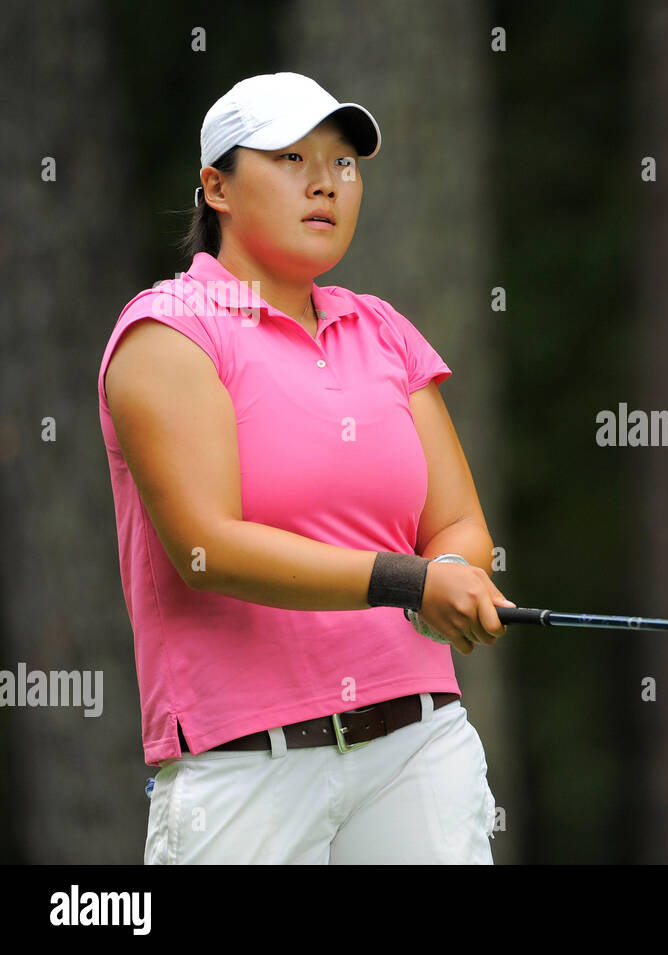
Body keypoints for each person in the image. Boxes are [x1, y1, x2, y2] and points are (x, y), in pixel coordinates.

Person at [96, 72, 514, 864]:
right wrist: (410, 582)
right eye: (290, 158)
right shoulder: (169, 332)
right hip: (245, 765)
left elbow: (456, 524)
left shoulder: (383, 329)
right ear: (215, 186)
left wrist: (452, 575)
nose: (325, 181)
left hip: (418, 750)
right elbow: (206, 548)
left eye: (343, 163)